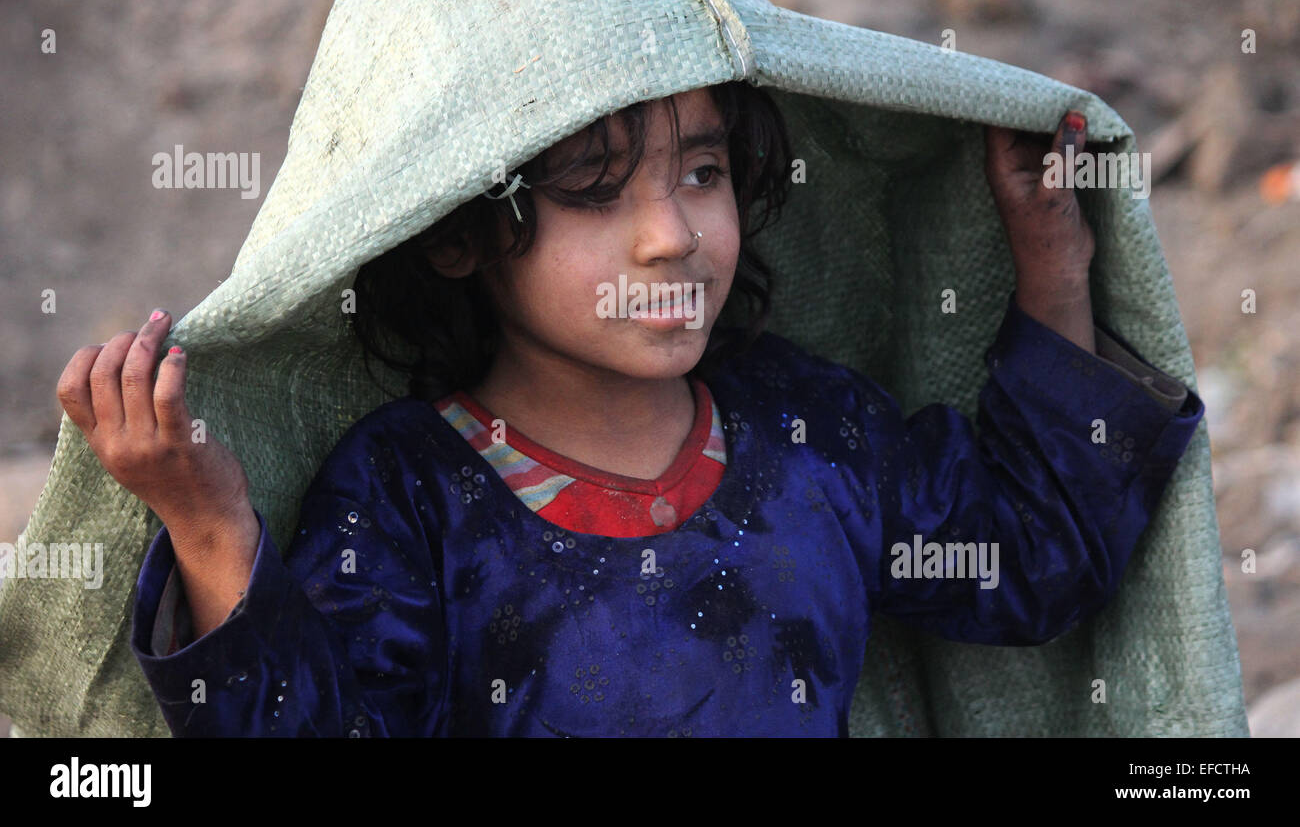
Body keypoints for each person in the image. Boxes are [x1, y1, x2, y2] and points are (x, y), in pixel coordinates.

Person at [56, 75, 1203, 736]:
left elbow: (1033, 554)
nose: (672, 232)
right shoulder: (410, 488)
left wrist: (1049, 257)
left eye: (701, 172)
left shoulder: (808, 429)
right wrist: (207, 528)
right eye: (598, 190)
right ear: (458, 234)